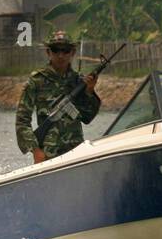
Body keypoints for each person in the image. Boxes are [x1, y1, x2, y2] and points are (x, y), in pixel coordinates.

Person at [15, 30, 102, 163]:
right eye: (56, 50)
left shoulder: (78, 81)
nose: (61, 55)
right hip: (49, 154)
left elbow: (87, 117)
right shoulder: (37, 81)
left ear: (72, 52)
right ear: (48, 52)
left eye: (65, 50)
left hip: (77, 151)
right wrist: (36, 151)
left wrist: (89, 92)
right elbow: (22, 121)